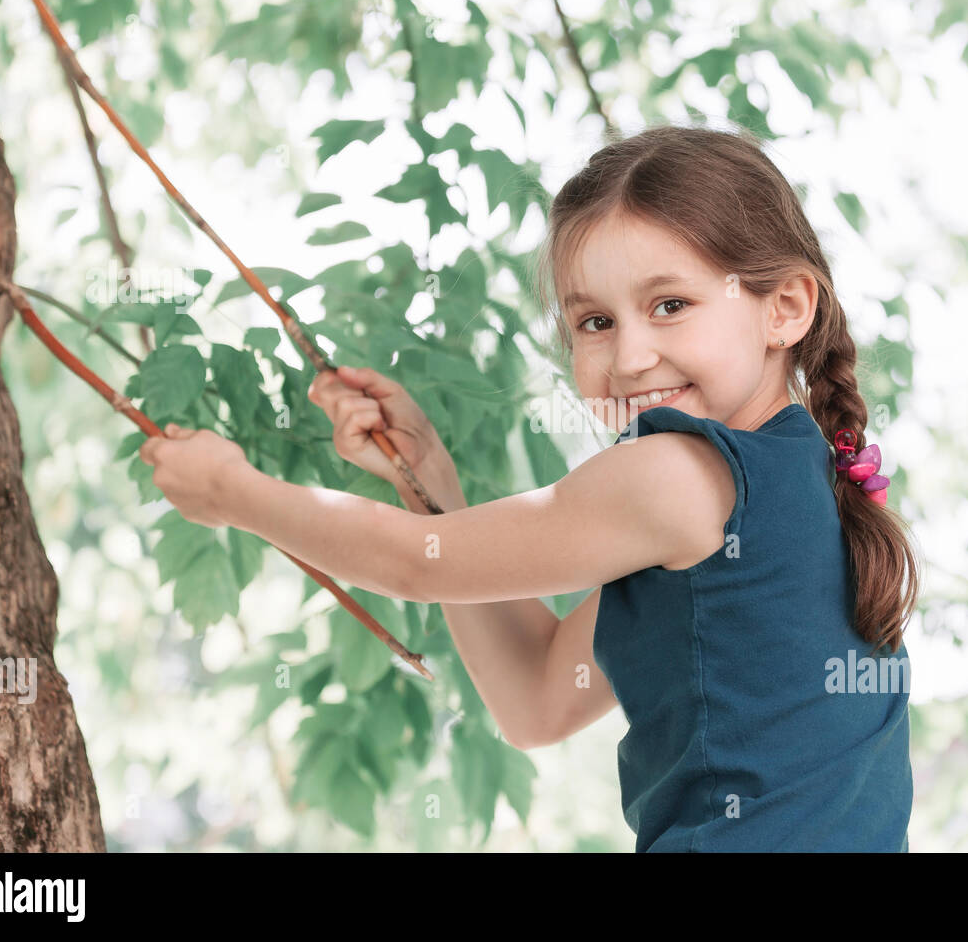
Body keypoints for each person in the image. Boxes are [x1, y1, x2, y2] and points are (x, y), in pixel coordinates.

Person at [140, 122, 922, 852]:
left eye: (670, 305)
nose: (631, 355)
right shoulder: (787, 490)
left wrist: (235, 495)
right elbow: (538, 701)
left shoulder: (681, 475)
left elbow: (418, 564)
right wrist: (432, 482)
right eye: (593, 323)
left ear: (784, 306)